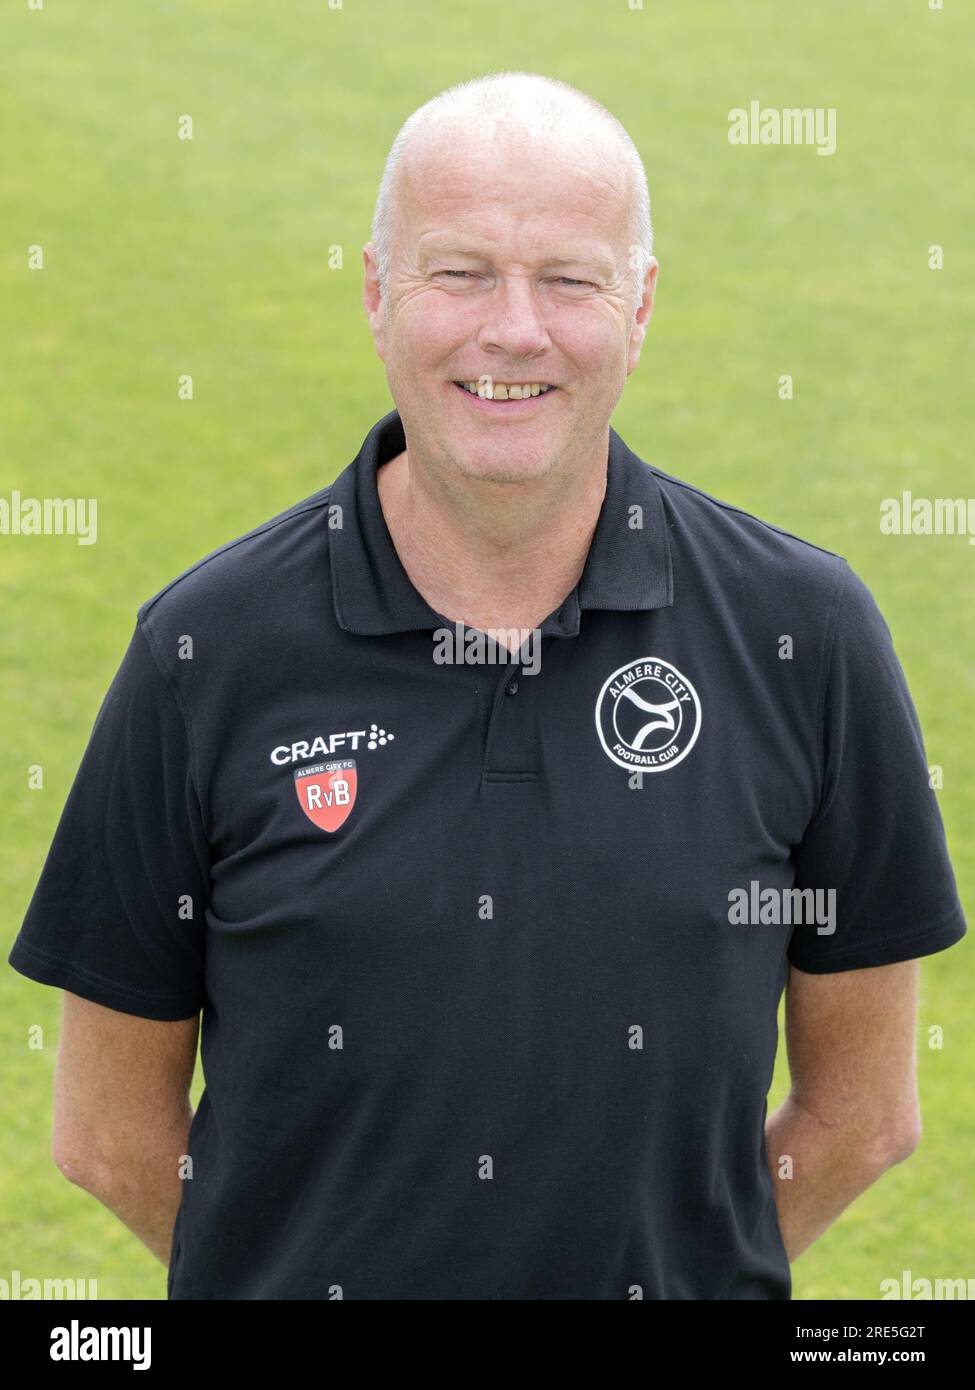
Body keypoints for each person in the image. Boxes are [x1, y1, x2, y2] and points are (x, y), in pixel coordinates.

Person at [9, 71, 967, 1300]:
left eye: (569, 279)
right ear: (376, 293)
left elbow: (864, 1112)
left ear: (641, 307)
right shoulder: (204, 649)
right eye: (459, 271)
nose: (514, 331)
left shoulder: (807, 634)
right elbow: (106, 1132)